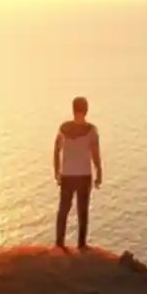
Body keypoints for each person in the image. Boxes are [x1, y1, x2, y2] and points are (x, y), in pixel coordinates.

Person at [53, 96, 102, 250]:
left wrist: (57, 171)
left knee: (64, 211)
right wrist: (99, 172)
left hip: (68, 175)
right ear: (86, 110)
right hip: (83, 176)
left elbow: (56, 150)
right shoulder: (91, 131)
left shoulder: (63, 129)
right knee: (81, 212)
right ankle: (81, 245)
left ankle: (59, 244)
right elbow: (95, 154)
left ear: (73, 109)